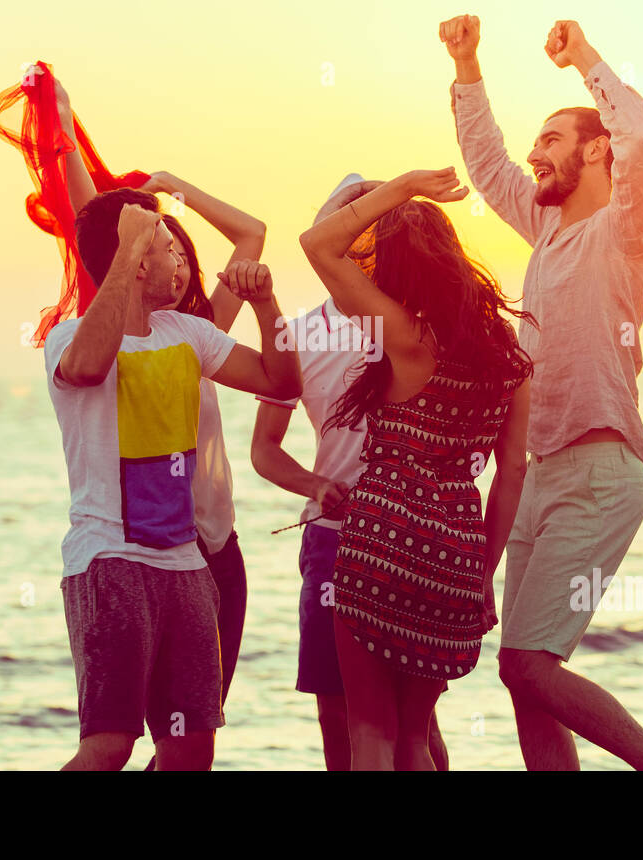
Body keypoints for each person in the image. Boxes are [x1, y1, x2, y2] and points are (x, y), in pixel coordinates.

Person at [440, 14, 643, 770]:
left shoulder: (626, 232)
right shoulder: (545, 230)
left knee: (529, 664)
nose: (532, 152)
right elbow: (486, 164)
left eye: (550, 139)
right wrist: (469, 65)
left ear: (595, 150)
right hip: (536, 478)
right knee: (525, 676)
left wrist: (584, 61)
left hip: (599, 476)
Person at [45, 189, 300, 771]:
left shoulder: (188, 332)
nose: (179, 260)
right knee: (110, 746)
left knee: (189, 751)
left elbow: (280, 383)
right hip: (110, 561)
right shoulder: (69, 338)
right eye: (164, 247)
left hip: (187, 567)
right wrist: (131, 236)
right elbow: (87, 367)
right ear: (135, 260)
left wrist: (266, 305)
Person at [300, 168, 533, 770]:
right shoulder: (509, 354)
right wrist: (482, 573)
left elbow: (316, 242)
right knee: (413, 735)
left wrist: (405, 185)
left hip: (383, 537)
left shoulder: (401, 333)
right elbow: (511, 476)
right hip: (454, 548)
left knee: (370, 732)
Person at [51, 76, 263, 728]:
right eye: (156, 246)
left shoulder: (201, 330)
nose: (166, 256)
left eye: (173, 249)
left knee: (195, 728)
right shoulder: (114, 329)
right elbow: (90, 214)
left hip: (213, 549)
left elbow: (252, 236)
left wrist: (179, 188)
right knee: (130, 732)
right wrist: (61, 123)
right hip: (148, 548)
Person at [251, 174, 448, 771]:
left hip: (410, 538)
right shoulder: (299, 333)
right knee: (338, 713)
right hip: (332, 540)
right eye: (346, 215)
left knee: (414, 720)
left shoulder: (414, 320)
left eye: (371, 216)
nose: (359, 228)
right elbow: (265, 448)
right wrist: (314, 486)